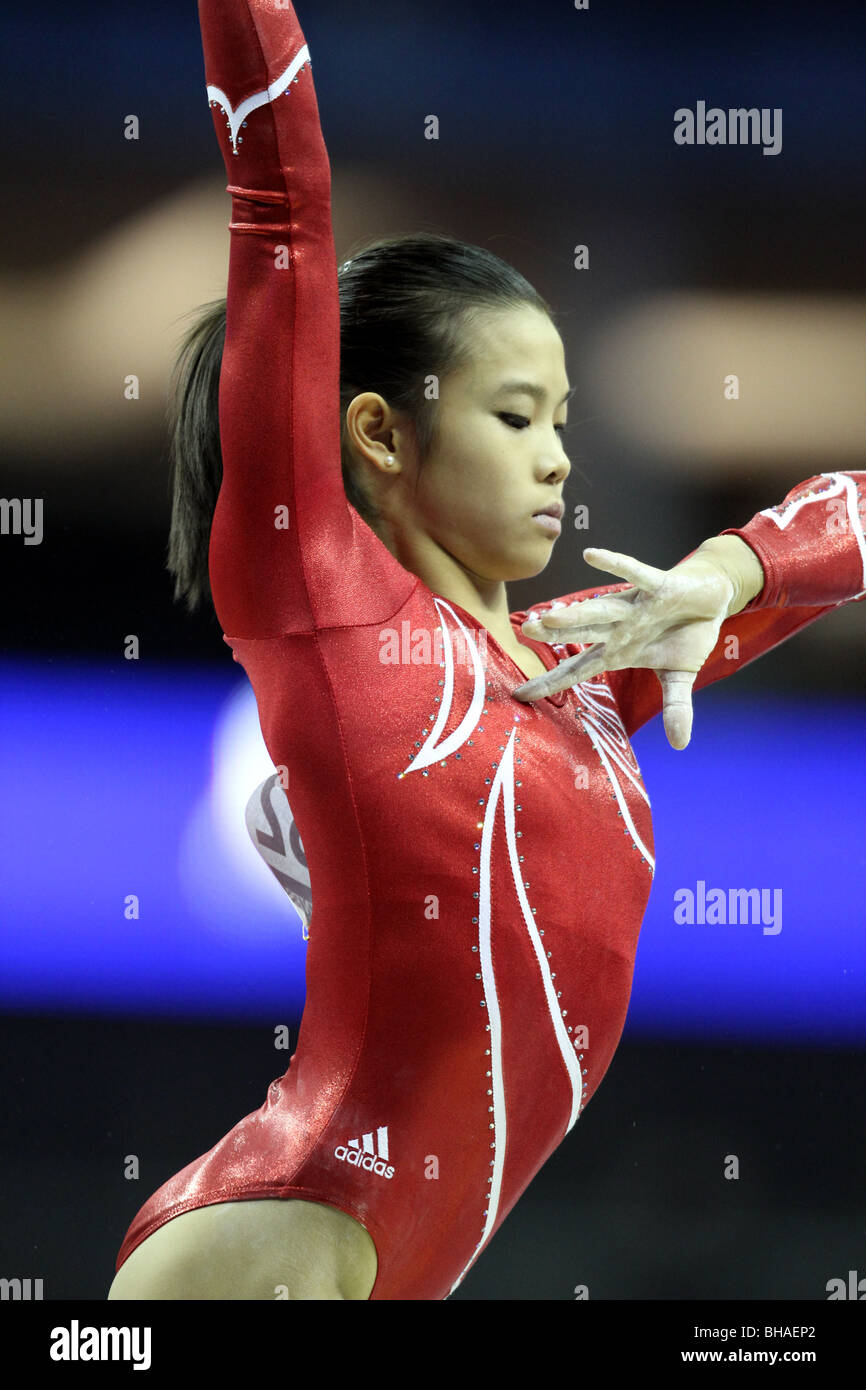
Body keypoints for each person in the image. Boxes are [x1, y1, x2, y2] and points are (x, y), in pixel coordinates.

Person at [108, 0, 865, 1300]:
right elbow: (280, 199)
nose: (560, 457)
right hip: (276, 1234)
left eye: (562, 416)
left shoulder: (585, 665)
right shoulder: (326, 605)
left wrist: (729, 571)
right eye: (515, 416)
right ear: (380, 436)